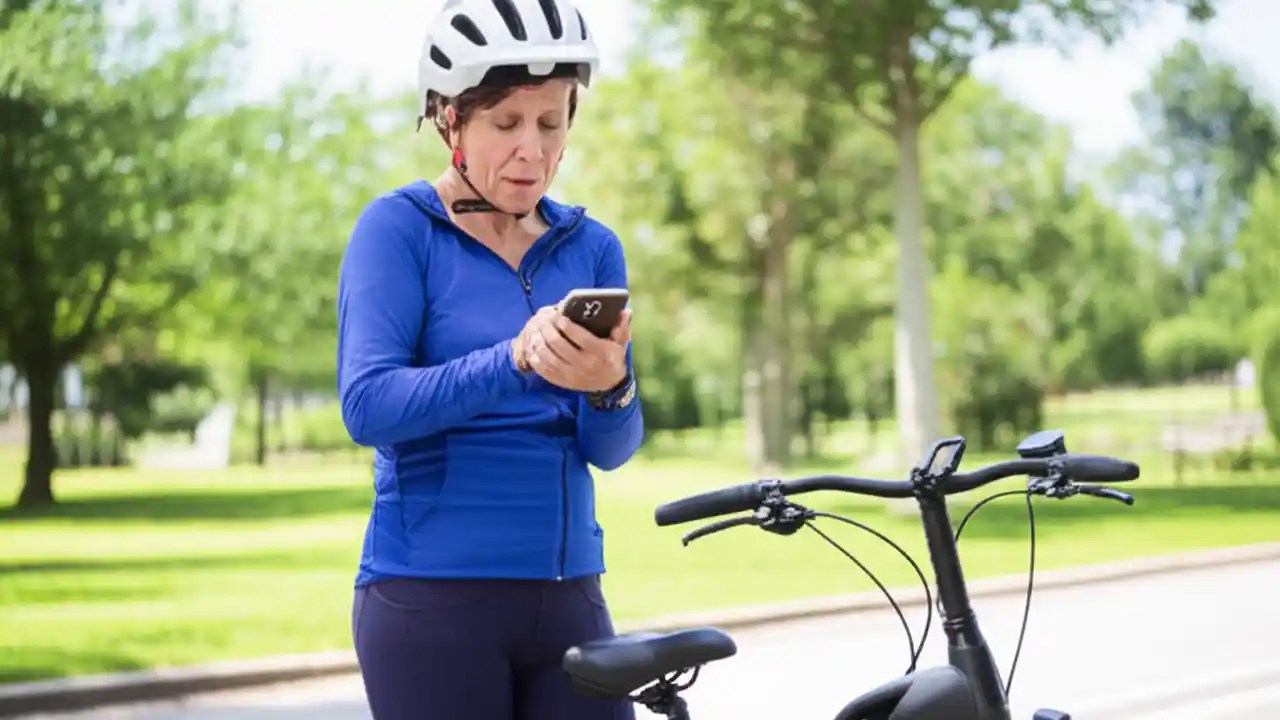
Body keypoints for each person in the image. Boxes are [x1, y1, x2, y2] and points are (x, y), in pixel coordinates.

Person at [335, 0, 643, 718]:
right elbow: (368, 405)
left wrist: (611, 389)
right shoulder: (398, 230)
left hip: (572, 597)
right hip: (430, 604)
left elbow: (613, 450)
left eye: (550, 122)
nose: (531, 150)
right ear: (450, 120)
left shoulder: (591, 246)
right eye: (505, 123)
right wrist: (514, 358)